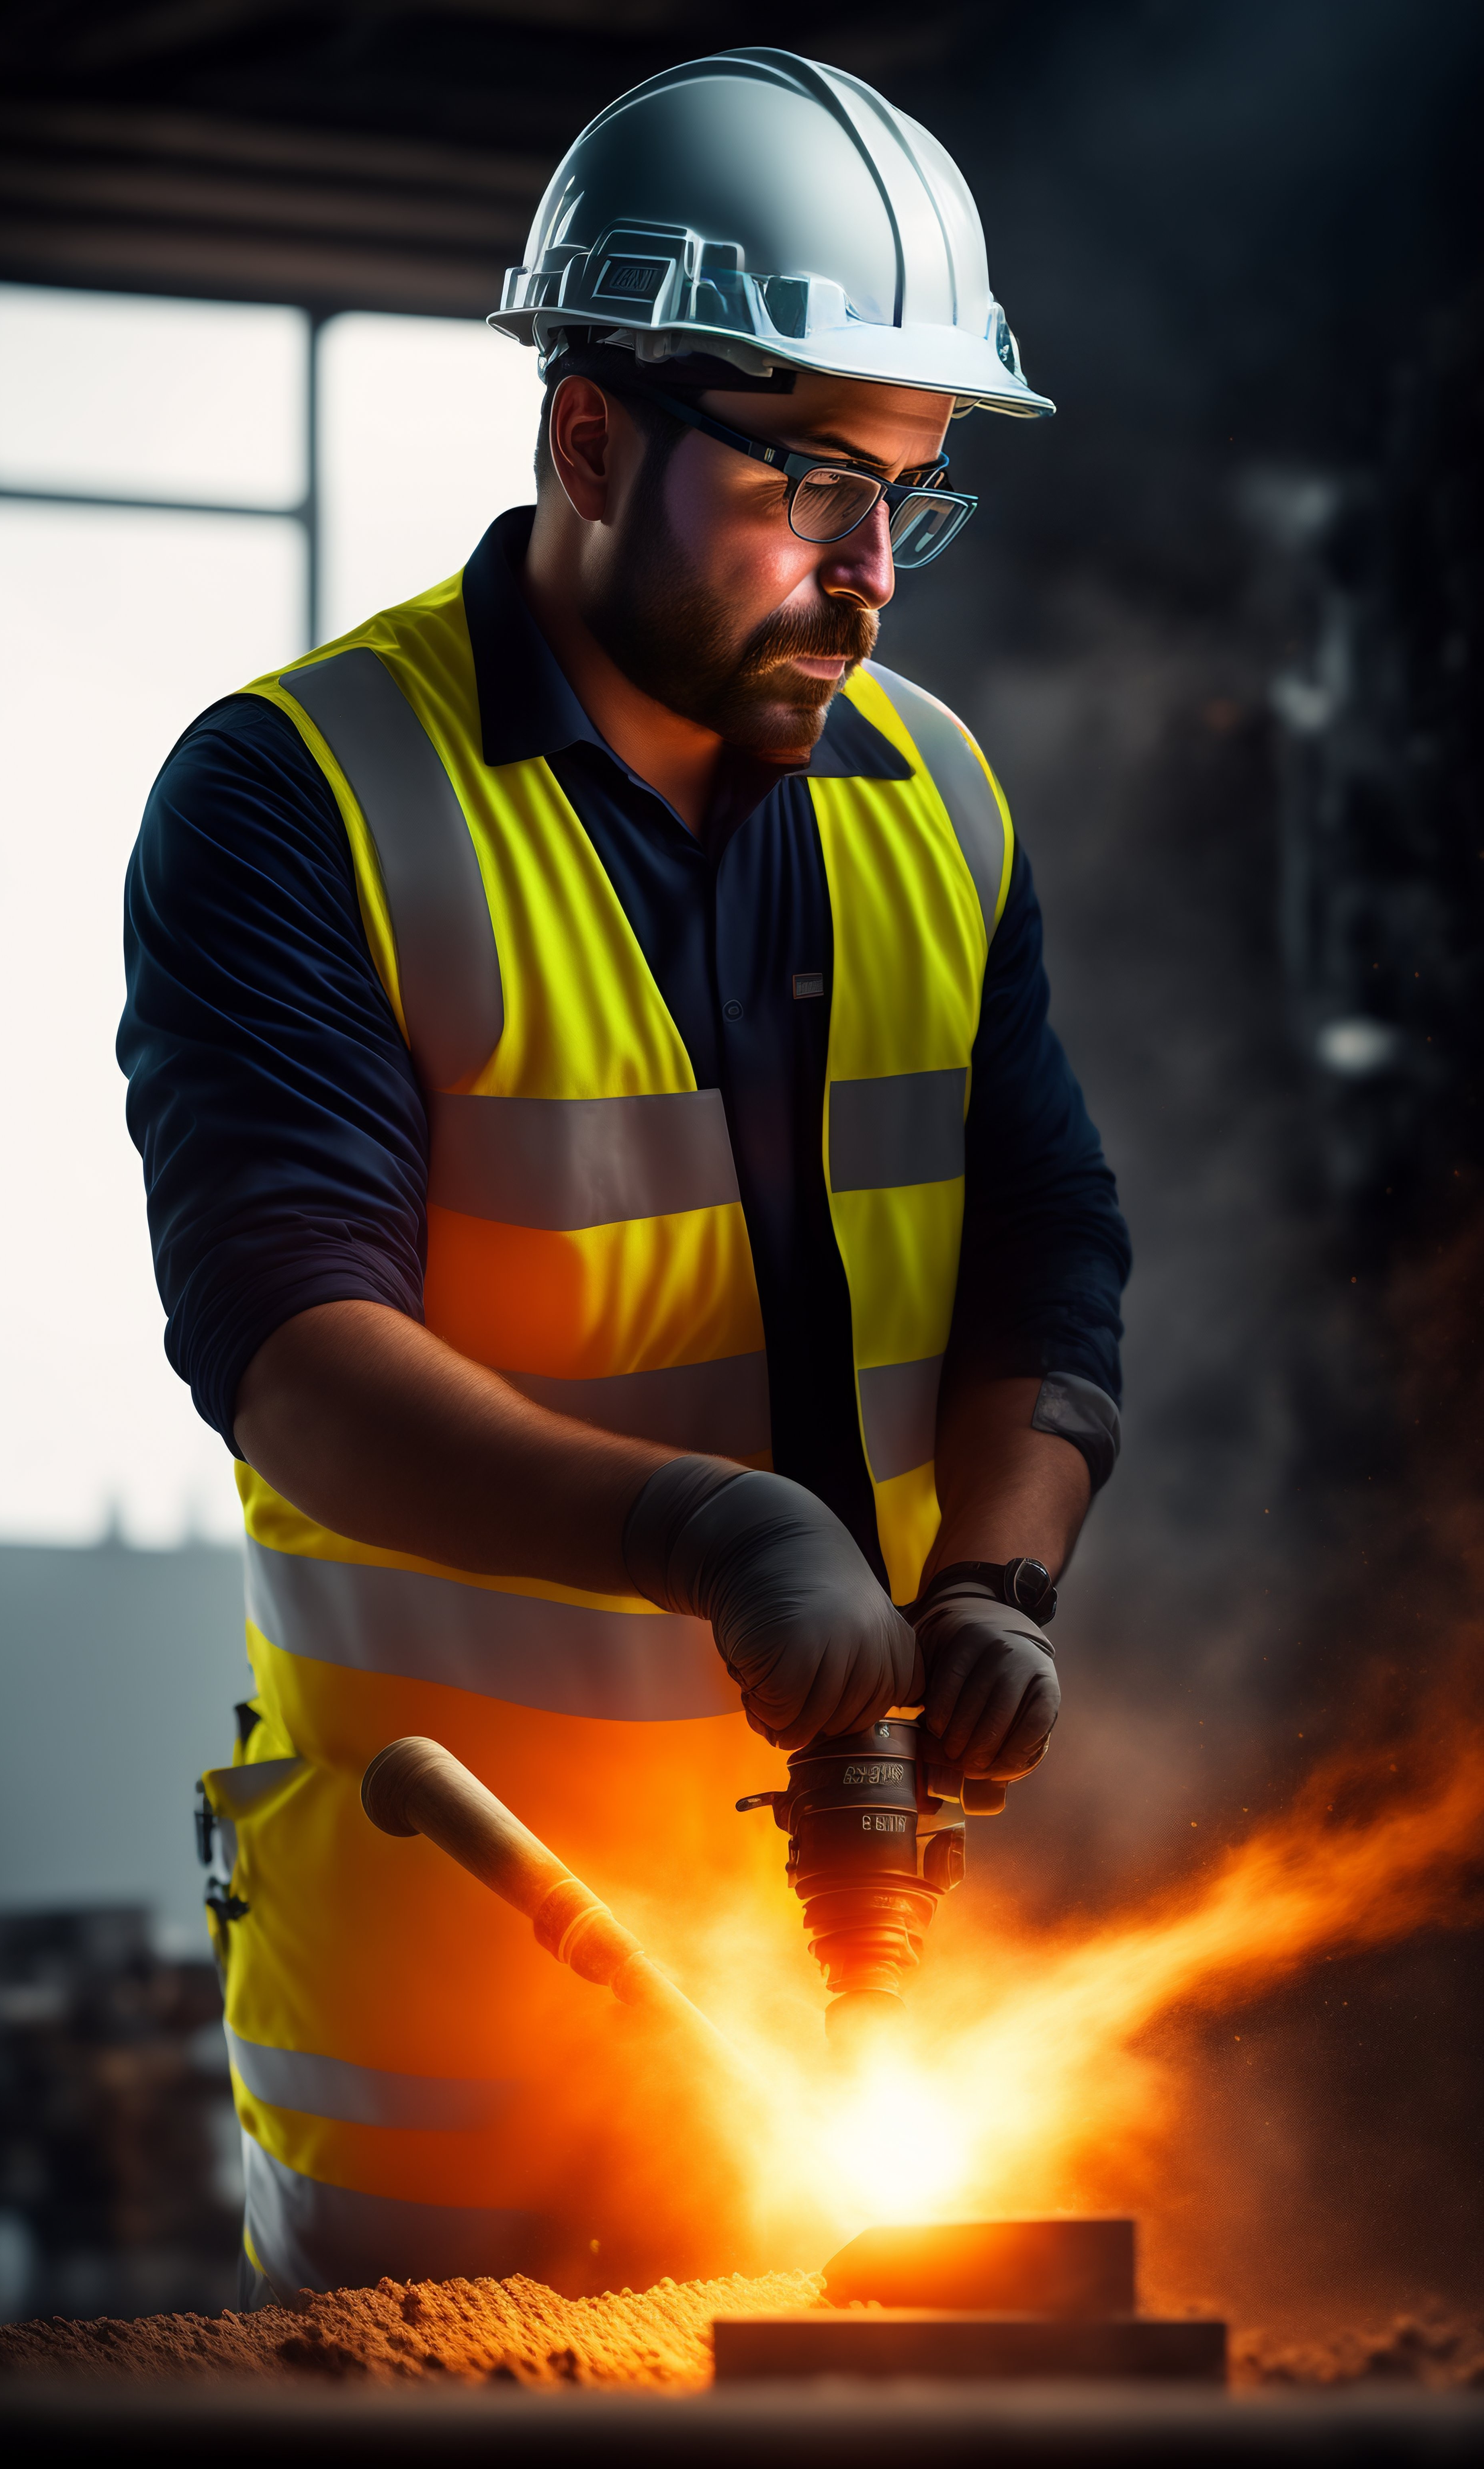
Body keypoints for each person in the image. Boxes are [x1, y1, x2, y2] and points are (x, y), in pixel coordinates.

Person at [120, 47, 1130, 2305]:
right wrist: (709, 1525)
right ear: (589, 435)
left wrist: (999, 1587)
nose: (872, 571)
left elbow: (1048, 1258)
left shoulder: (934, 798)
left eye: (915, 495)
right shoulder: (303, 800)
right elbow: (294, 1355)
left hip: (827, 1977)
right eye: (808, 483)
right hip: (453, 2006)